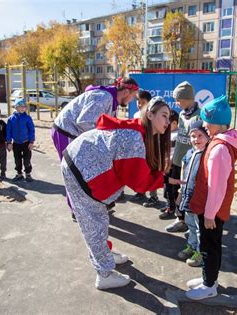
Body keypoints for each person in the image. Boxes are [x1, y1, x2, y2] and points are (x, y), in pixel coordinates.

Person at [61, 96, 171, 290]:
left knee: (99, 219)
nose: (167, 122)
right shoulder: (136, 138)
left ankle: (105, 255)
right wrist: (166, 180)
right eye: (164, 116)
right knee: (93, 222)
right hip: (80, 168)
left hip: (82, 164)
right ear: (150, 114)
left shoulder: (140, 134)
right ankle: (104, 274)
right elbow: (138, 182)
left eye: (169, 118)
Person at [185, 96, 237, 300]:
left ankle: (209, 285)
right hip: (210, 208)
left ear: (219, 124)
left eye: (207, 121)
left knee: (209, 247)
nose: (203, 125)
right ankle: (209, 278)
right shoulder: (219, 141)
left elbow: (217, 187)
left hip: (211, 210)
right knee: (211, 245)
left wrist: (210, 214)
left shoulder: (220, 149)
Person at [52, 77, 139, 161]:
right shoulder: (104, 97)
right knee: (73, 170)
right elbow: (85, 122)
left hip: (72, 132)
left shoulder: (111, 99)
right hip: (66, 131)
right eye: (133, 96)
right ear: (126, 92)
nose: (132, 100)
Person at [161, 81, 200, 234]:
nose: (176, 103)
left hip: (190, 163)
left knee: (186, 192)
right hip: (178, 161)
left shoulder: (199, 116)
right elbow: (180, 140)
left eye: (178, 99)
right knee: (176, 190)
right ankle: (180, 218)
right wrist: (172, 159)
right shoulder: (183, 114)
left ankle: (188, 222)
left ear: (187, 98)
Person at [176, 120, 209, 268]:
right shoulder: (190, 153)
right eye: (193, 136)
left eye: (200, 135)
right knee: (191, 225)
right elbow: (185, 173)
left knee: (200, 227)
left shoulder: (208, 155)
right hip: (187, 196)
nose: (196, 139)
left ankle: (201, 253)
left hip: (200, 199)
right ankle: (192, 245)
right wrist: (180, 191)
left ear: (208, 137)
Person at [145, 110, 179, 208]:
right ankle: (169, 205)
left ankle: (172, 208)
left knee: (172, 188)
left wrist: (169, 162)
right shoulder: (165, 133)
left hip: (171, 165)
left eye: (169, 122)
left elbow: (174, 152)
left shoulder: (176, 135)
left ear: (175, 123)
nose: (166, 124)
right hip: (165, 165)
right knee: (167, 187)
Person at [131, 90, 153, 203]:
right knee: (140, 170)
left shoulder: (151, 115)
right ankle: (140, 192)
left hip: (150, 147)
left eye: (142, 102)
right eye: (138, 102)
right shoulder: (135, 115)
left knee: (151, 170)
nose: (139, 105)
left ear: (149, 102)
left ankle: (153, 196)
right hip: (138, 148)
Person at [6, 98, 35, 182]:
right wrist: (9, 142)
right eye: (20, 106)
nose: (22, 108)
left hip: (26, 143)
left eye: (24, 107)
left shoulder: (27, 118)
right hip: (16, 143)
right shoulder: (11, 119)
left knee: (27, 159)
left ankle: (28, 174)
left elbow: (31, 130)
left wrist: (31, 141)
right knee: (17, 159)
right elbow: (9, 131)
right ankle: (19, 173)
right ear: (16, 107)